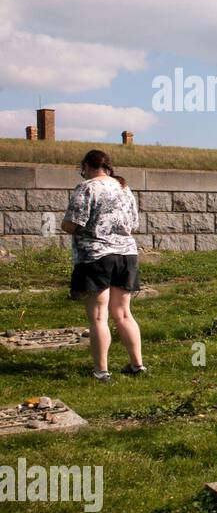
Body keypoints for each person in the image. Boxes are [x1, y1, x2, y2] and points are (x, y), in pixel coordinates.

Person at [60, 149, 147, 382]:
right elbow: (134, 223)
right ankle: (137, 365)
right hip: (126, 255)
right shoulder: (124, 188)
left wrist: (65, 226)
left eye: (83, 168)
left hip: (96, 255)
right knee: (124, 313)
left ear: (87, 166)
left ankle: (101, 371)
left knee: (99, 316)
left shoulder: (87, 188)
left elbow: (73, 223)